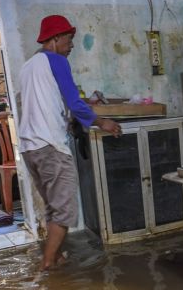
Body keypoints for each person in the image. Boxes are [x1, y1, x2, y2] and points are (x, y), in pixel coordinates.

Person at [18, 14, 121, 270]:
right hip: (50, 145)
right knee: (64, 210)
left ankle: (57, 256)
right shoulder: (57, 60)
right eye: (68, 38)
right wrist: (102, 122)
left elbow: (50, 100)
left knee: (53, 206)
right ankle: (48, 264)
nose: (71, 45)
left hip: (30, 147)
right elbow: (73, 103)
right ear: (55, 39)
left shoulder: (28, 66)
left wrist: (80, 108)